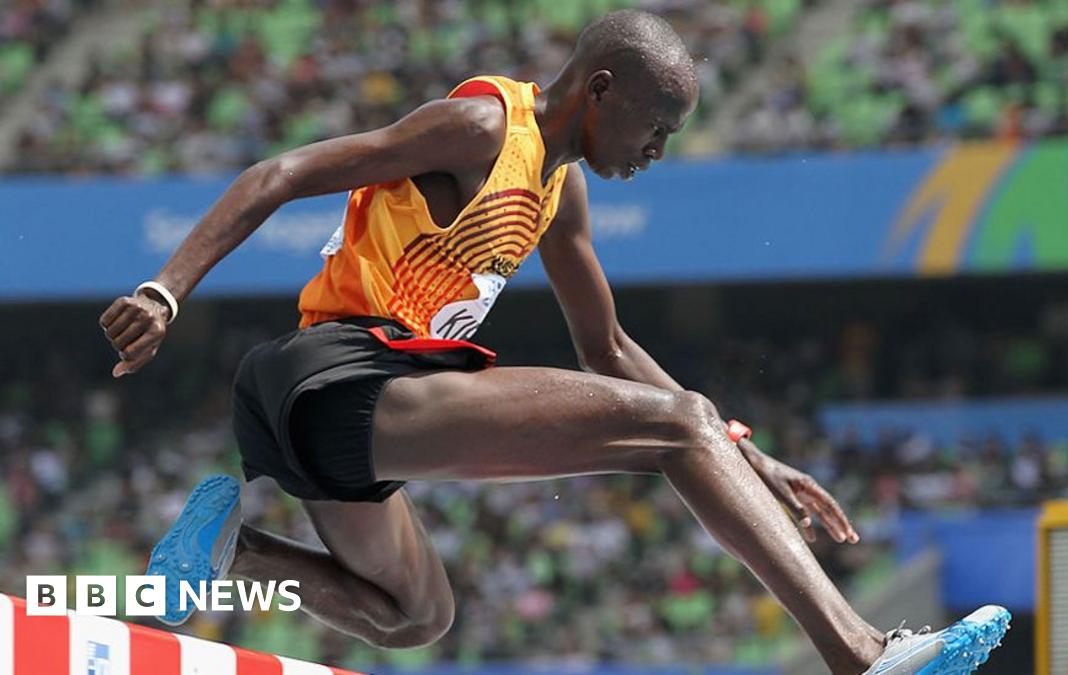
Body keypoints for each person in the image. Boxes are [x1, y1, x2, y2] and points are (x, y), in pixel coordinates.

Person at [98, 10, 1008, 675]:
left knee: (415, 615)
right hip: (337, 371)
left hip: (336, 426)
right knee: (681, 425)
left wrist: (752, 458)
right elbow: (283, 170)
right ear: (600, 90)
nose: (658, 151)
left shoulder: (561, 196)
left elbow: (606, 345)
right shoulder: (484, 126)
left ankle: (239, 551)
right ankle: (861, 653)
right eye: (655, 127)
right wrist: (164, 289)